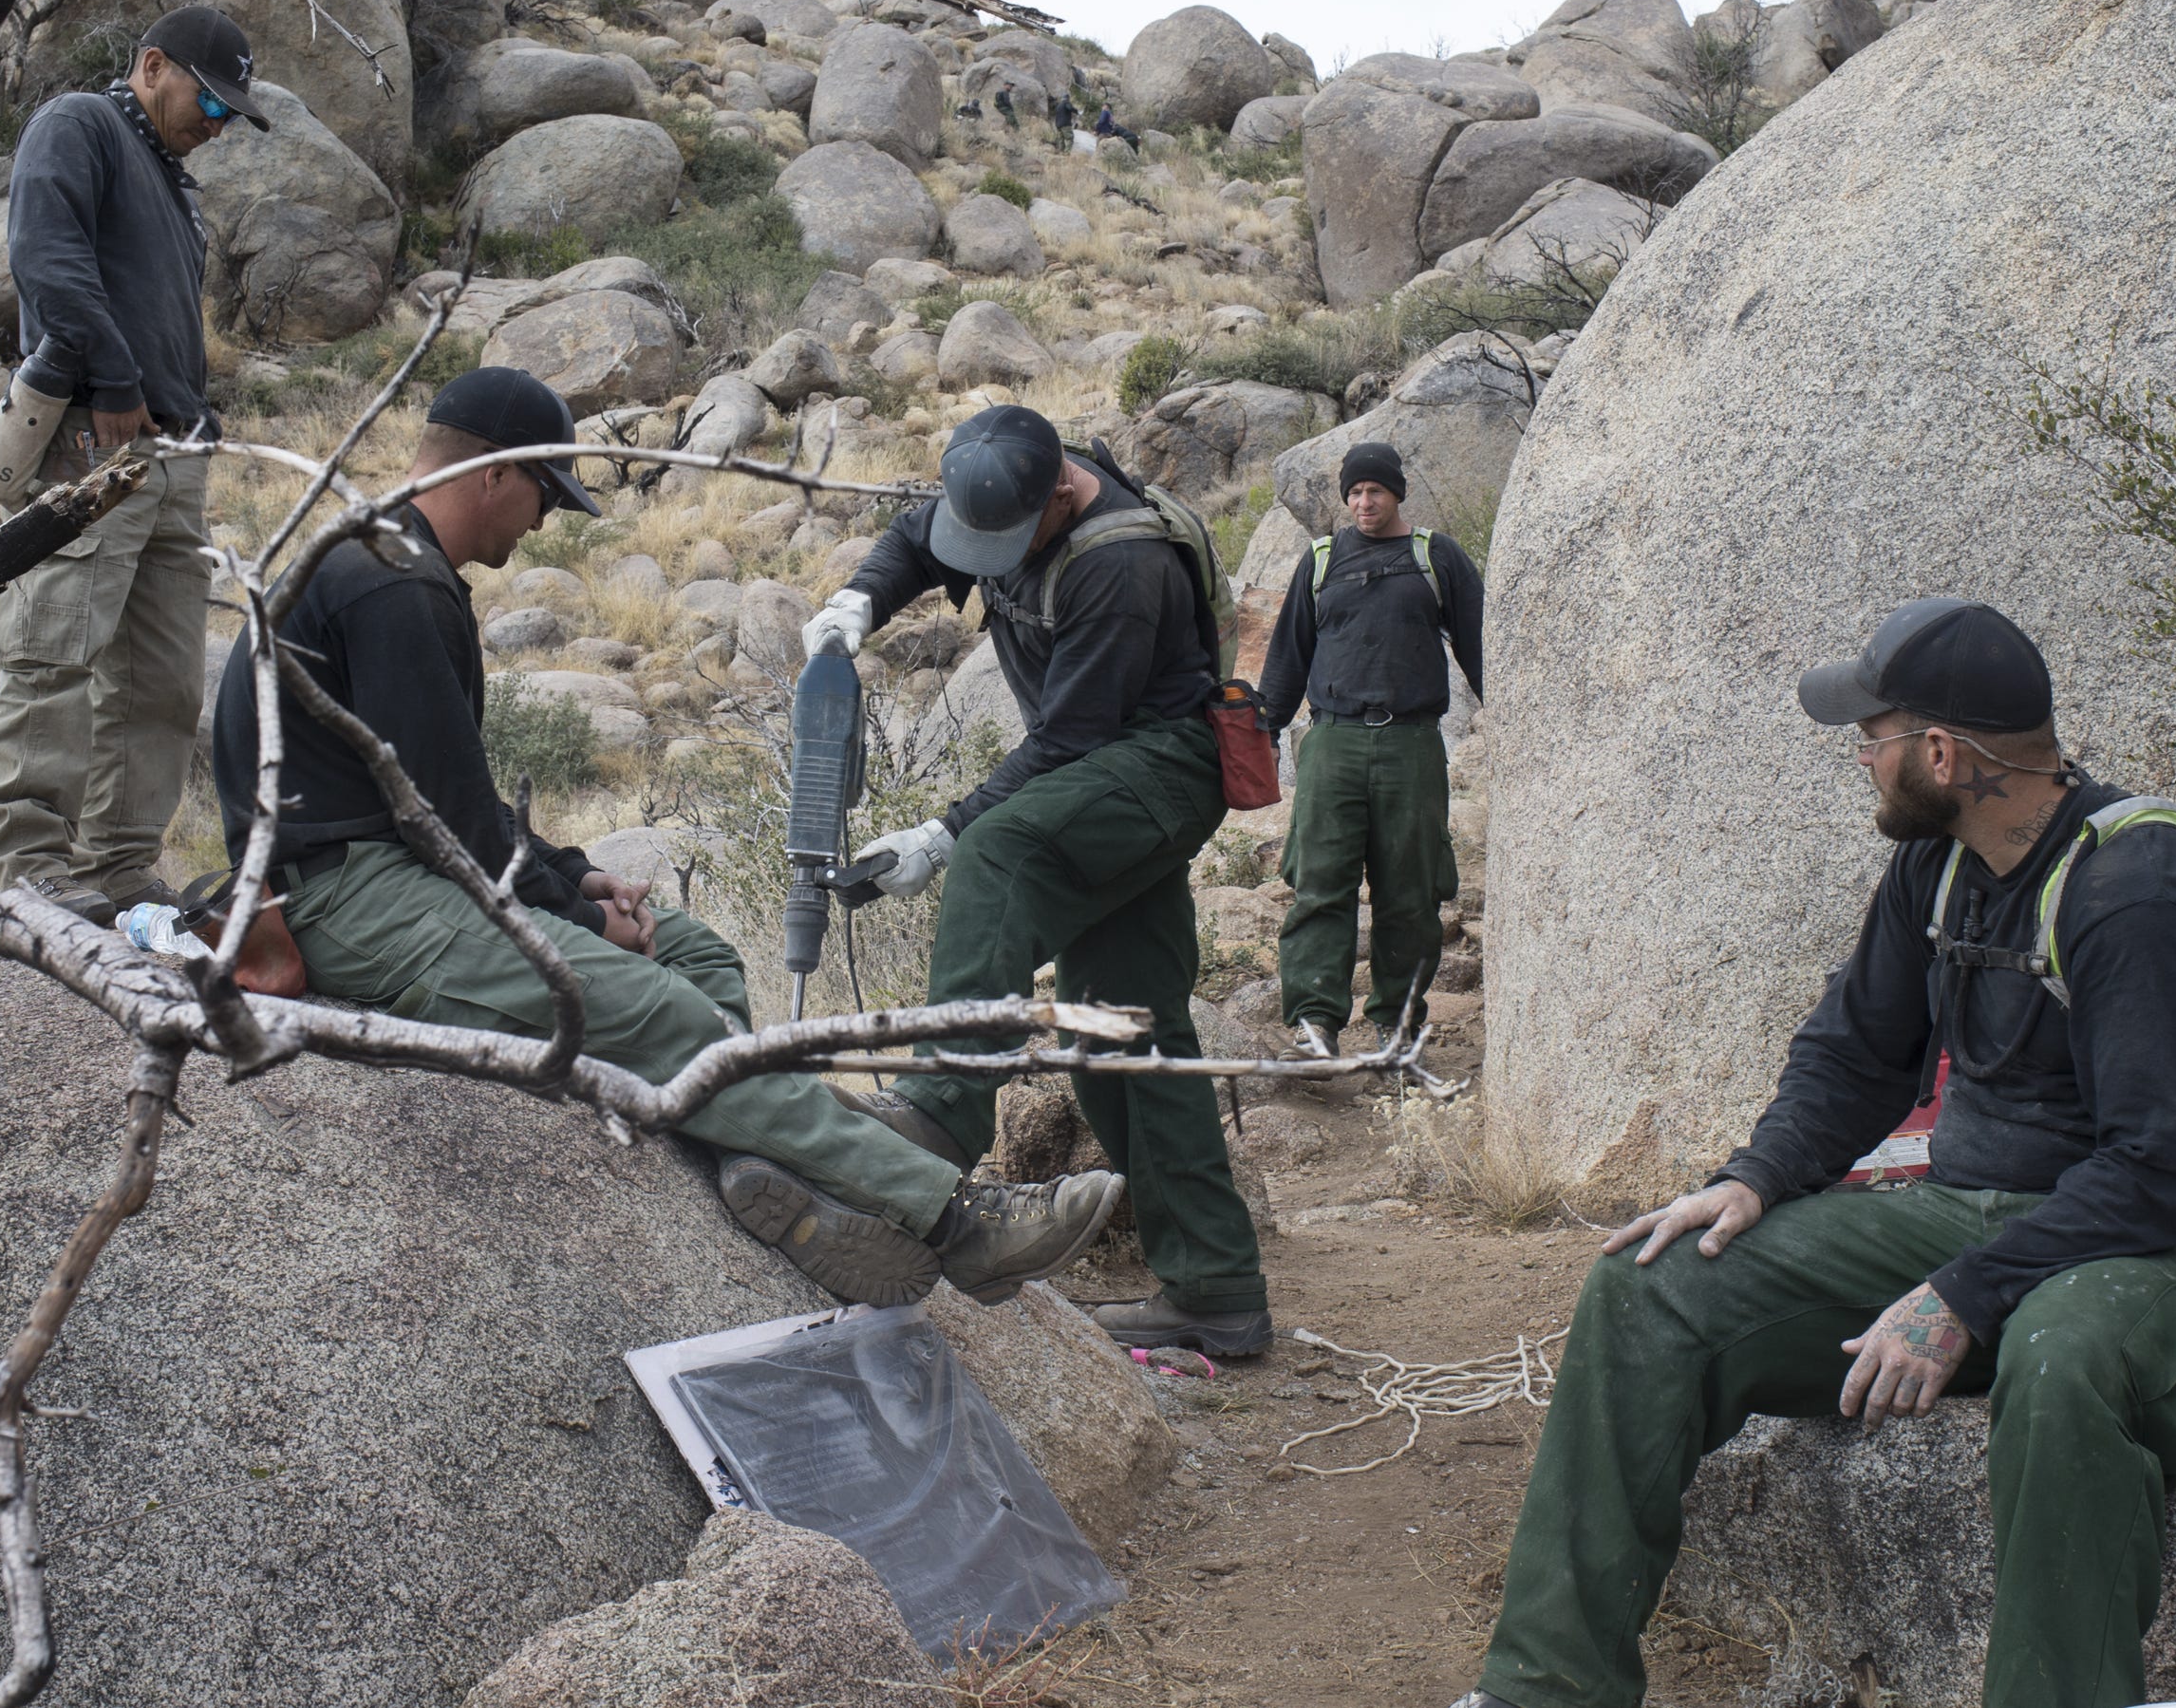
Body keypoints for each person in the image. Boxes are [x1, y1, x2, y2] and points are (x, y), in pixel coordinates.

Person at [1450, 598, 2176, 1708]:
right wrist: (1754, 1178)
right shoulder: (1938, 867)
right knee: (1645, 1290)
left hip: (2163, 1240)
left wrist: (1960, 1297)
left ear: (1939, 753)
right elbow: (1855, 1056)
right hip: (1977, 1211)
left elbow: (2152, 1172)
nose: (1861, 754)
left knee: (2059, 1351)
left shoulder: (2135, 893)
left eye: (1874, 734)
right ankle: (1543, 1692)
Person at [212, 369, 1121, 1309]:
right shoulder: (391, 586)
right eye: (540, 495)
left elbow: (442, 798)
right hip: (344, 897)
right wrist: (575, 913)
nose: (539, 525)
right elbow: (443, 824)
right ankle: (958, 1224)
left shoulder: (383, 557)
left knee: (695, 950)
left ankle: (760, 1159)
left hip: (399, 870)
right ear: (494, 475)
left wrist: (578, 879)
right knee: (661, 1010)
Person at [803, 406, 1274, 1356]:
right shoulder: (1001, 482)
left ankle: (942, 1108)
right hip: (1104, 773)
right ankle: (1216, 1288)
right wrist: (860, 601)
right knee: (1124, 1024)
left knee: (1000, 851)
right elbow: (916, 536)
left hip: (1158, 764)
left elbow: (1067, 743)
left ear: (1059, 484)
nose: (988, 555)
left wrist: (943, 835)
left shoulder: (1120, 564)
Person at [0, 6, 263, 925]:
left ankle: (118, 865)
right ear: (152, 65)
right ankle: (26, 864)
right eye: (209, 103)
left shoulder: (171, 182)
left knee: (164, 678)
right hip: (95, 442)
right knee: (53, 648)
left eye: (229, 115)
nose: (216, 126)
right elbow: (46, 259)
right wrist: (112, 380)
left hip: (171, 452)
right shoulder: (80, 126)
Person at [1253, 441, 1485, 1061]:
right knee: (1319, 885)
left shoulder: (1436, 558)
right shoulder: (1322, 560)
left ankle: (1397, 1027)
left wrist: (1513, 719)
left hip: (1412, 744)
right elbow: (1287, 658)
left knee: (1410, 893)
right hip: (1332, 742)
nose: (1363, 502)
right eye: (1354, 492)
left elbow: (1481, 647)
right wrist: (1263, 729)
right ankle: (1313, 1026)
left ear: (1397, 493)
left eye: (1374, 491)